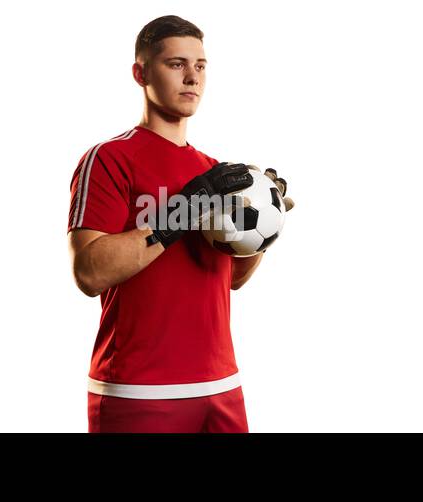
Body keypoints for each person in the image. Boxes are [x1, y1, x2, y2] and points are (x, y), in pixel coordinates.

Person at [66, 15, 294, 433]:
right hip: (139, 390)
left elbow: (230, 279)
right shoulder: (109, 158)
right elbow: (89, 272)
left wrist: (264, 227)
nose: (192, 77)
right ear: (141, 73)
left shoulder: (213, 170)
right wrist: (183, 211)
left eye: (201, 65)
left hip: (221, 385)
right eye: (176, 64)